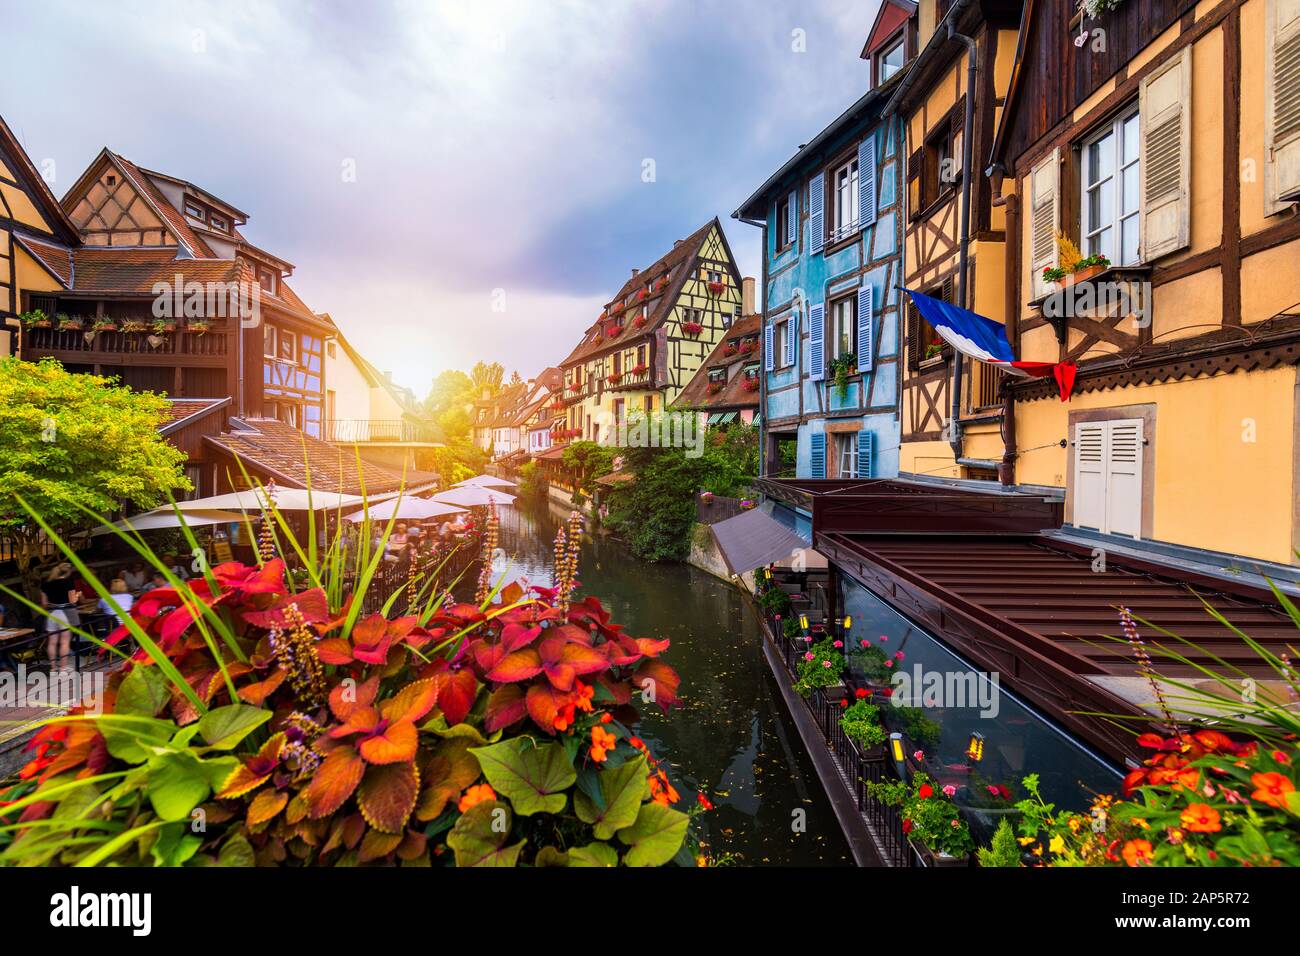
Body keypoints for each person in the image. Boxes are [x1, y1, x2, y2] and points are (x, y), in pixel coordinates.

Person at [40, 563, 82, 673]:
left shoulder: (46, 584)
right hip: (65, 613)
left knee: (52, 642)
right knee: (64, 642)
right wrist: (77, 595)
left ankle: (53, 668)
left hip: (52, 613)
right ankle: (63, 668)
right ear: (68, 572)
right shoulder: (69, 583)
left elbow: (44, 604)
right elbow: (72, 601)